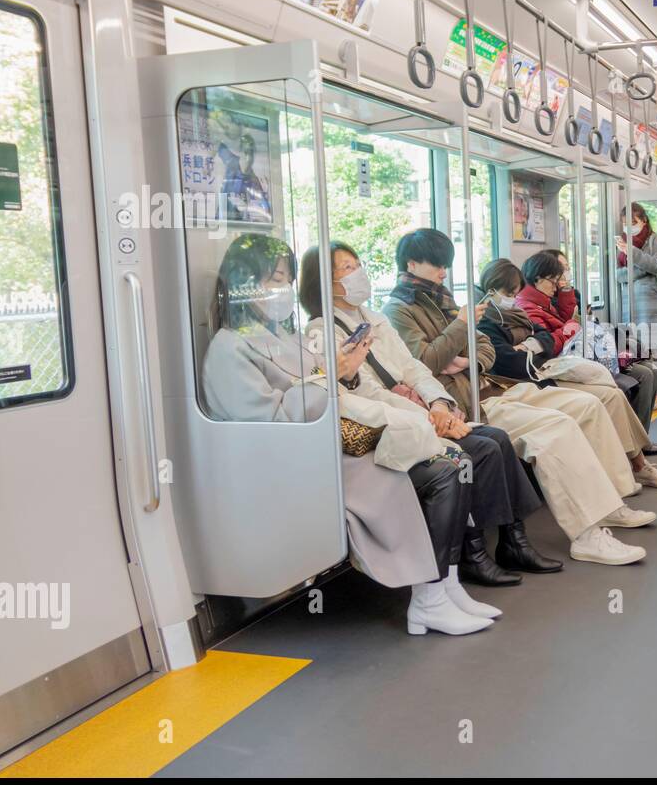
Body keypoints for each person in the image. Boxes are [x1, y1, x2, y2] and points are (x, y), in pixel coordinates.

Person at [200, 234, 490, 637]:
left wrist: (347, 371)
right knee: (443, 473)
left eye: (284, 280)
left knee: (453, 463)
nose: (280, 291)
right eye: (272, 280)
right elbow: (275, 424)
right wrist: (330, 375)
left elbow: (330, 388)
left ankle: (444, 585)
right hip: (301, 461)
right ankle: (428, 599)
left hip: (329, 444)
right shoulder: (230, 349)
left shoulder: (285, 336)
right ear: (242, 284)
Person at [383, 229, 656, 565]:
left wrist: (465, 357)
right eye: (436, 264)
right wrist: (460, 332)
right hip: (469, 404)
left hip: (491, 385)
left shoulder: (442, 299)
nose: (443, 271)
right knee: (556, 428)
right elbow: (424, 362)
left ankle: (612, 503)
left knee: (587, 405)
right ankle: (586, 533)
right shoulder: (398, 310)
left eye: (445, 264)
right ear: (411, 263)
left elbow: (483, 348)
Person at [301, 241, 550, 592]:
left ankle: (513, 539)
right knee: (479, 450)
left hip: (419, 411)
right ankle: (472, 554)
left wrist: (439, 404)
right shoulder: (320, 331)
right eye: (346, 268)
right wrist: (427, 416)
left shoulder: (374, 320)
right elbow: (365, 392)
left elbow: (412, 367)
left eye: (358, 264)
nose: (358, 273)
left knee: (496, 439)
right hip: (388, 426)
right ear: (324, 282)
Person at [517, 250, 657, 489]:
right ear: (540, 279)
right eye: (555, 279)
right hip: (556, 367)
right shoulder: (527, 307)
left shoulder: (547, 300)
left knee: (646, 371)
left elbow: (569, 318)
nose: (558, 284)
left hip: (576, 359)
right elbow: (552, 342)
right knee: (620, 386)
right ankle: (633, 462)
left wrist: (567, 292)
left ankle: (636, 451)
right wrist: (570, 327)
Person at [538, 247, 657, 439]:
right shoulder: (544, 302)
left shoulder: (570, 293)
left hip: (590, 349)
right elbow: (569, 326)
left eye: (568, 267)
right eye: (563, 268)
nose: (566, 273)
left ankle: (640, 440)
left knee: (650, 369)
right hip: (571, 358)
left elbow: (584, 322)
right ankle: (633, 444)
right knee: (643, 374)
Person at [616, 203, 657, 408]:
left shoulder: (654, 239)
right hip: (631, 305)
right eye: (626, 224)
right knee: (637, 349)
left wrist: (634, 256)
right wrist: (640, 268)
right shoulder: (622, 245)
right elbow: (619, 275)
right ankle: (643, 392)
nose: (629, 227)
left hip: (655, 304)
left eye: (633, 223)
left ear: (644, 220)